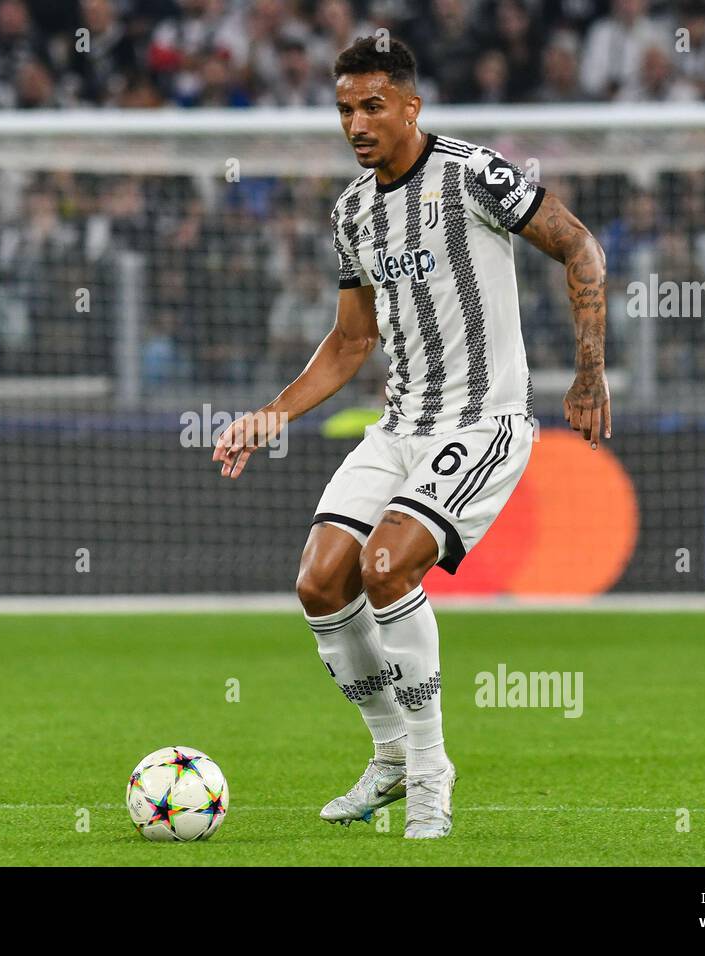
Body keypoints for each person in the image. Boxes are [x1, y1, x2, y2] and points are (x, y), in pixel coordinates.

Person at [212, 36, 610, 839]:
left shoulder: (472, 174)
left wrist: (589, 371)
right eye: (343, 109)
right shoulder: (352, 211)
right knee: (322, 582)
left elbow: (578, 244)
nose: (356, 123)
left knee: (385, 564)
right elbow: (352, 340)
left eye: (371, 106)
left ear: (409, 106)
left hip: (484, 421)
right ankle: (390, 754)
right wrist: (272, 415)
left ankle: (431, 772)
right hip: (402, 426)